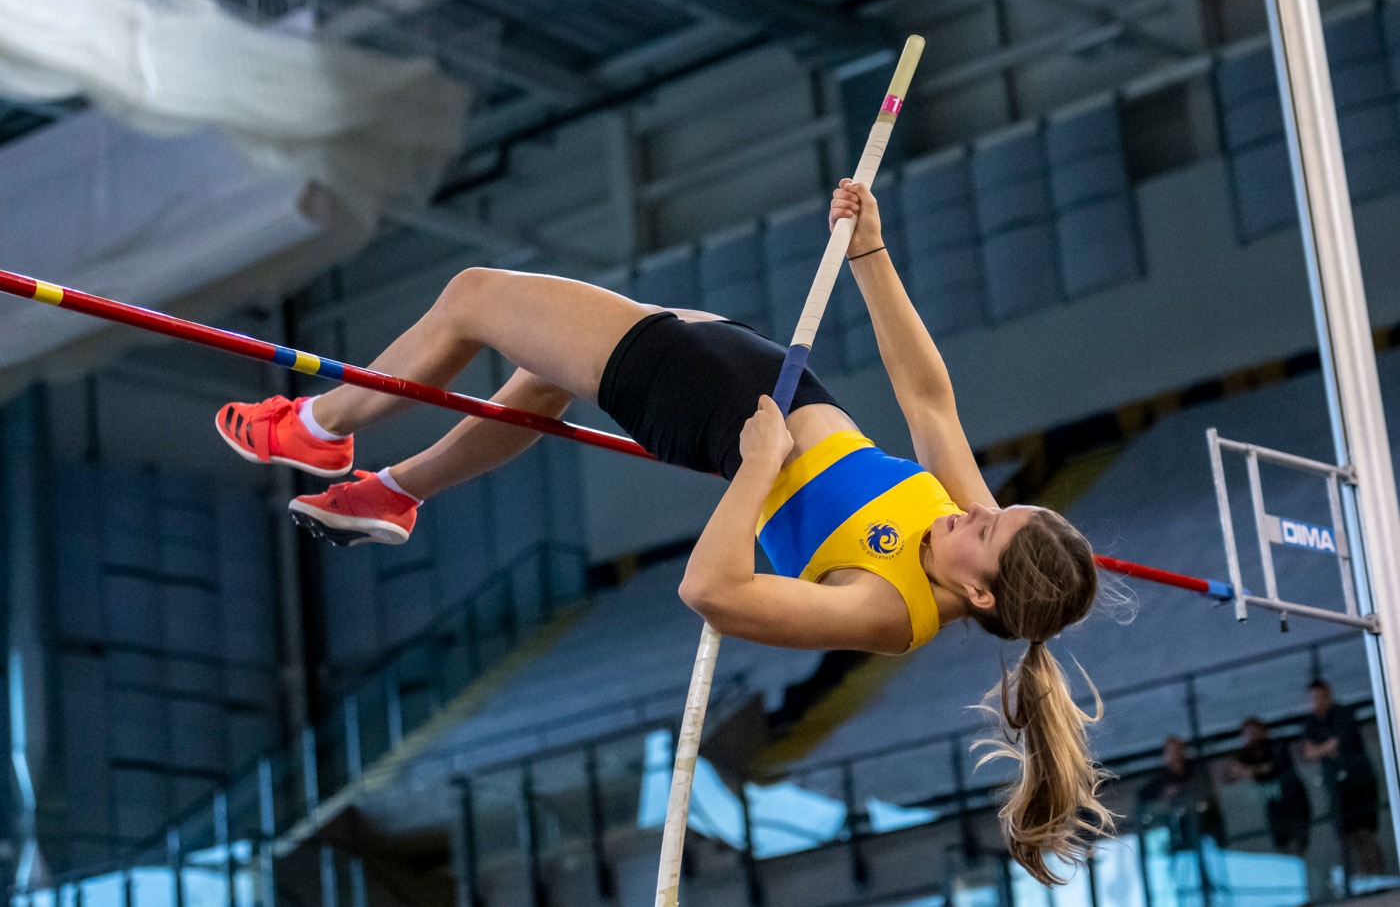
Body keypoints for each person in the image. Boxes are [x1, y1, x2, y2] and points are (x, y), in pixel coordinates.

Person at [215, 179, 1112, 884]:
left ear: (979, 590)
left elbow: (711, 590)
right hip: (769, 375)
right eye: (997, 508)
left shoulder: (890, 609)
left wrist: (758, 466)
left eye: (987, 528)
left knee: (472, 296)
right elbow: (928, 399)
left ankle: (319, 428)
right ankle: (394, 493)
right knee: (540, 375)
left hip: (710, 408)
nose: (976, 506)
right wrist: (870, 251)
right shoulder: (962, 532)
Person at [1302, 679, 1385, 878]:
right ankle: (1358, 879)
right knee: (1345, 837)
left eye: (1318, 697)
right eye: (1312, 698)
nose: (1315, 702)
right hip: (1337, 788)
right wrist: (1326, 749)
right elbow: (1309, 753)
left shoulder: (1342, 714)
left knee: (1364, 833)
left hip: (1360, 784)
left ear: (1327, 695)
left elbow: (1337, 744)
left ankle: (1377, 876)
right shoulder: (1312, 722)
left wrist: (1323, 749)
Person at [1227, 717, 1311, 856]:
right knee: (1282, 845)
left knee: (1299, 840)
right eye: (1248, 734)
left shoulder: (1277, 746)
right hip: (1274, 807)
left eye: (1254, 732)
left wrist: (1252, 770)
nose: (1252, 737)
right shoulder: (1247, 754)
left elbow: (1272, 767)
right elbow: (1233, 773)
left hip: (1294, 802)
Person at [1137, 736, 1225, 852]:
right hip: (1177, 833)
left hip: (1203, 828)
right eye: (1170, 752)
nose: (1174, 756)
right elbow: (1144, 795)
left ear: (1183, 751)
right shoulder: (1162, 779)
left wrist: (1179, 792)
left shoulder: (1197, 771)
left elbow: (1203, 795)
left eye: (1176, 751)